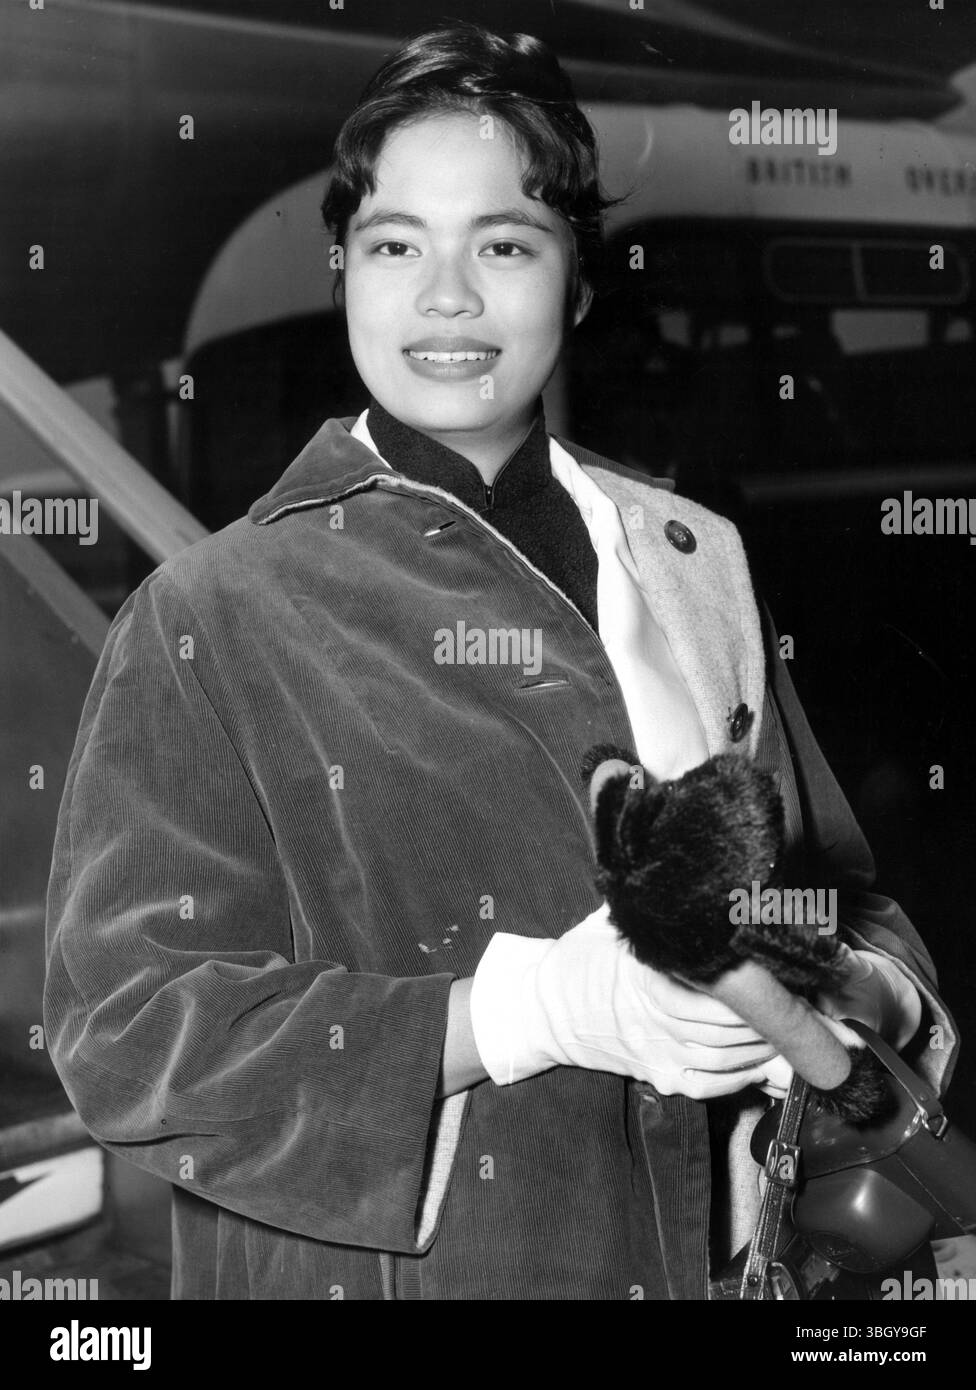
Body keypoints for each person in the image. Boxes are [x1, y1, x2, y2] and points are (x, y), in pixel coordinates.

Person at [44, 23, 955, 1301]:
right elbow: (130, 1043)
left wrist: (847, 989)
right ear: (345, 272)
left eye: (506, 246)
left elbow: (845, 899)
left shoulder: (696, 560)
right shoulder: (212, 613)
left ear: (577, 282)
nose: (449, 299)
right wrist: (527, 1013)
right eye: (397, 245)